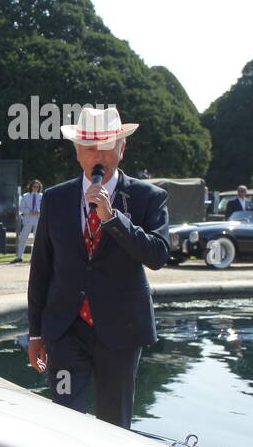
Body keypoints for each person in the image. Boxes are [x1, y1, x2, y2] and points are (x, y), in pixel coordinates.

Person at [27, 106, 169, 429]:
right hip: (66, 329)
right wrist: (36, 332)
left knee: (114, 425)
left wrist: (113, 219)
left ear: (122, 148)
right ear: (78, 152)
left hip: (121, 331)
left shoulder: (149, 198)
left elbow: (158, 255)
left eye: (106, 146)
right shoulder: (56, 198)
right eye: (90, 148)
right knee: (63, 417)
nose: (98, 155)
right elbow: (42, 269)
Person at [13, 179, 43, 263]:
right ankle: (19, 257)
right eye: (34, 186)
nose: (36, 188)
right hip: (28, 218)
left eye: (37, 187)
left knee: (36, 240)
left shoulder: (42, 196)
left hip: (38, 219)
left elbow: (44, 208)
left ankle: (33, 258)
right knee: (23, 238)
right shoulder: (25, 196)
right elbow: (21, 208)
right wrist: (30, 211)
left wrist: (39, 211)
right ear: (31, 187)